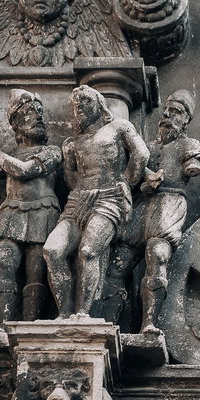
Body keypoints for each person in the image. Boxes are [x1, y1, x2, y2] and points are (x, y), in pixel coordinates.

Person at [43, 85, 150, 318]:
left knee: (89, 251)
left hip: (109, 199)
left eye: (85, 102)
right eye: (76, 105)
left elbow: (141, 154)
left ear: (99, 105)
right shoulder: (71, 144)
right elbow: (70, 175)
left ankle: (83, 312)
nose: (79, 107)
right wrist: (82, 192)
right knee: (52, 250)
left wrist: (125, 183)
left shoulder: (117, 128)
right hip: (78, 202)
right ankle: (64, 312)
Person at [101, 90, 200, 330]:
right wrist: (144, 181)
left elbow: (192, 166)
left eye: (176, 112)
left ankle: (149, 324)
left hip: (168, 203)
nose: (166, 115)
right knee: (118, 264)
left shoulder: (187, 144)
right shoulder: (148, 146)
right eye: (166, 110)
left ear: (186, 119)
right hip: (141, 206)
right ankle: (105, 323)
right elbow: (133, 177)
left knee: (157, 255)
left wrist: (190, 163)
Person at [0, 90, 62, 325]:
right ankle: (3, 327)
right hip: (13, 211)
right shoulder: (11, 154)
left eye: (40, 112)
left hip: (43, 211)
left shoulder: (51, 152)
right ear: (16, 123)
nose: (38, 117)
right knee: (4, 261)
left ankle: (29, 327)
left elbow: (26, 171)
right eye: (31, 112)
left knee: (36, 271)